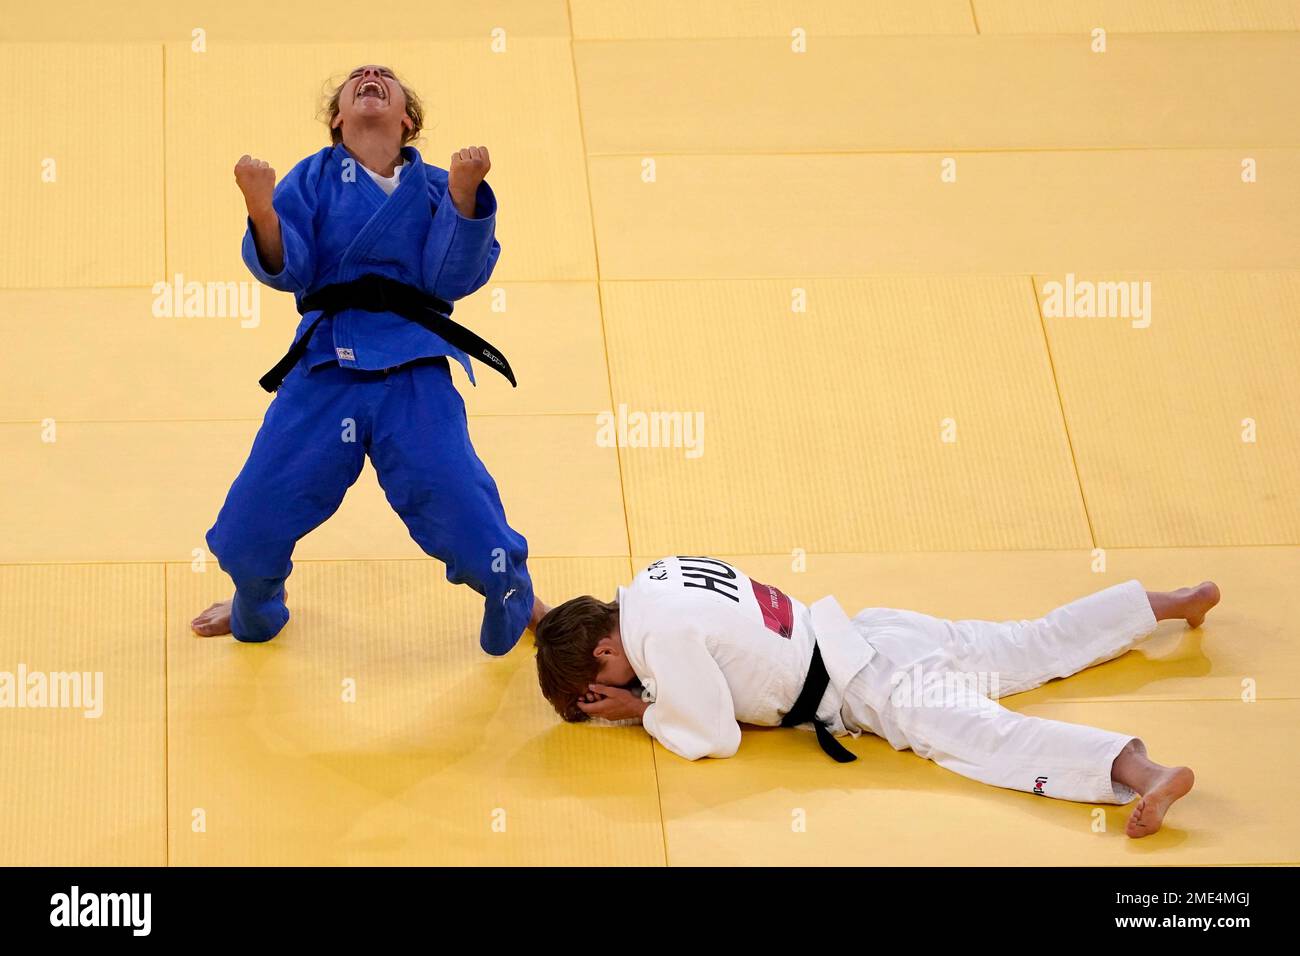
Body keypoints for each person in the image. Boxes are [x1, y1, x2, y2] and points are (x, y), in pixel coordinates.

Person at [191, 64, 543, 653]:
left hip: (414, 371)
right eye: (359, 78)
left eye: (384, 77)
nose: (371, 74)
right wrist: (261, 209)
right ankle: (256, 602)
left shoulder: (434, 184)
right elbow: (291, 269)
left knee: (462, 506)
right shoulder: (312, 179)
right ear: (338, 119)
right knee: (250, 526)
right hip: (326, 368)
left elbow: (449, 277)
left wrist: (462, 196)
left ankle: (510, 592)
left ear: (407, 119)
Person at [533, 555, 1220, 838]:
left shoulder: (659, 641)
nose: (613, 693)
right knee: (1031, 642)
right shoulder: (656, 578)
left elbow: (715, 736)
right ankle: (1169, 603)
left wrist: (640, 711)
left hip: (878, 688)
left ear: (603, 651)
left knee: (993, 741)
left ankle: (1144, 773)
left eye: (602, 687)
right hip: (877, 628)